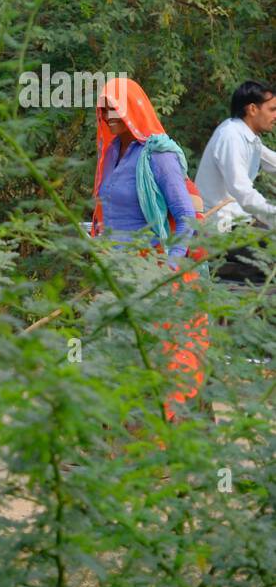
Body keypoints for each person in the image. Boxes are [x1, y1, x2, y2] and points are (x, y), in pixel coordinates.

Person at [90, 77, 207, 421]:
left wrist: (168, 269)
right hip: (117, 274)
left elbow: (185, 215)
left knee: (158, 361)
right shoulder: (111, 153)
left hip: (153, 271)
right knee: (110, 353)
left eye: (115, 105)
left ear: (134, 107)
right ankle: (109, 443)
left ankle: (158, 444)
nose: (108, 112)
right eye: (103, 106)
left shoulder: (159, 154)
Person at [194, 80, 276, 282]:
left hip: (238, 223)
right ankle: (221, 274)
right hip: (219, 227)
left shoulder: (248, 136)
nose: (275, 116)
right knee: (268, 259)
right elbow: (243, 192)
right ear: (253, 109)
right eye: (272, 109)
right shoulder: (231, 136)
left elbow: (272, 161)